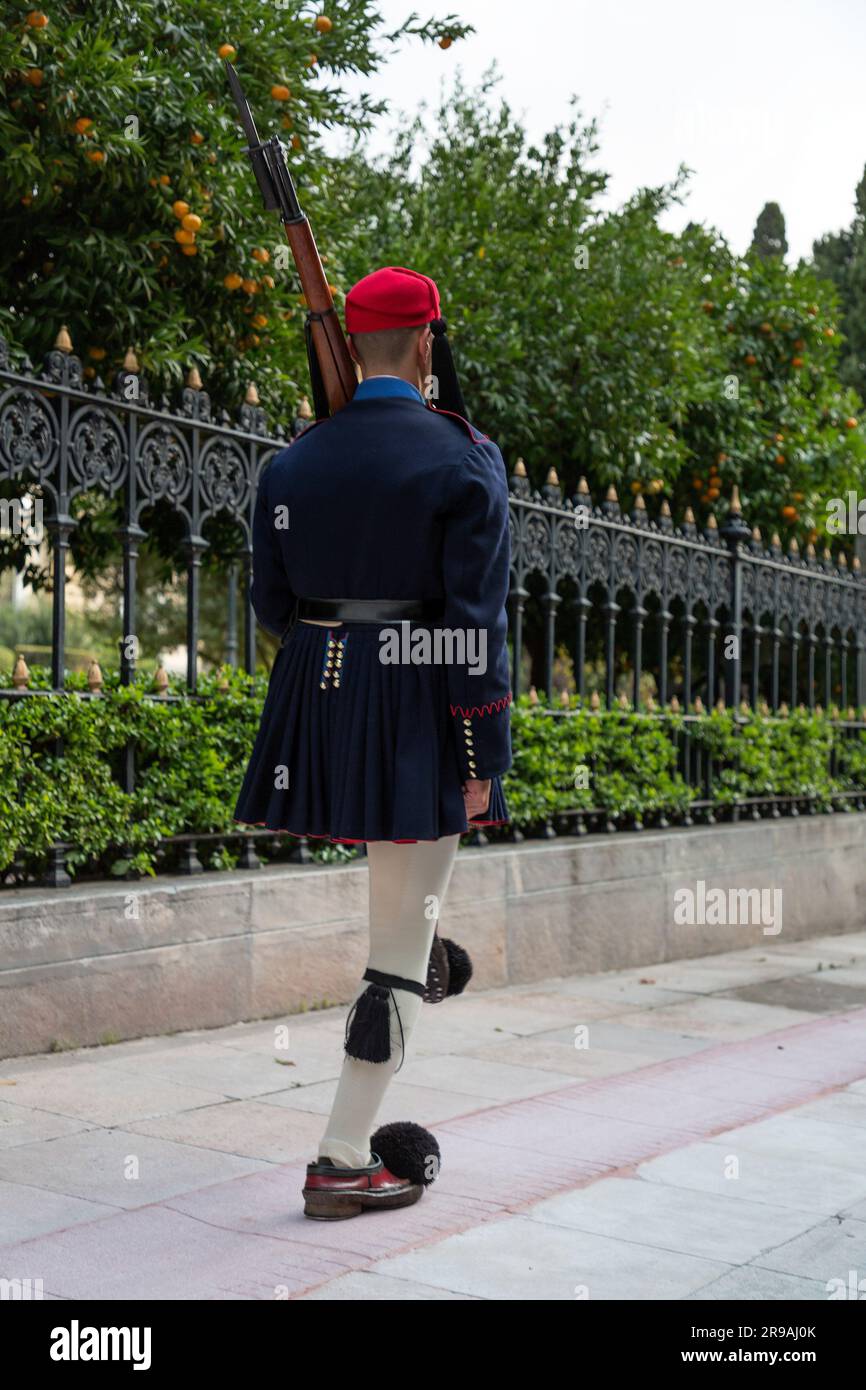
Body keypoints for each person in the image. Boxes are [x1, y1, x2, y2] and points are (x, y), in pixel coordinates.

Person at [234, 265, 513, 1220]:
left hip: (323, 698)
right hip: (421, 710)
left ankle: (425, 950)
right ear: (427, 343)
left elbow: (273, 603)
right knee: (396, 945)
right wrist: (484, 764)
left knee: (402, 913)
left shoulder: (292, 461)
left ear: (351, 345)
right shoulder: (463, 457)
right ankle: (344, 1157)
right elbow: (475, 631)